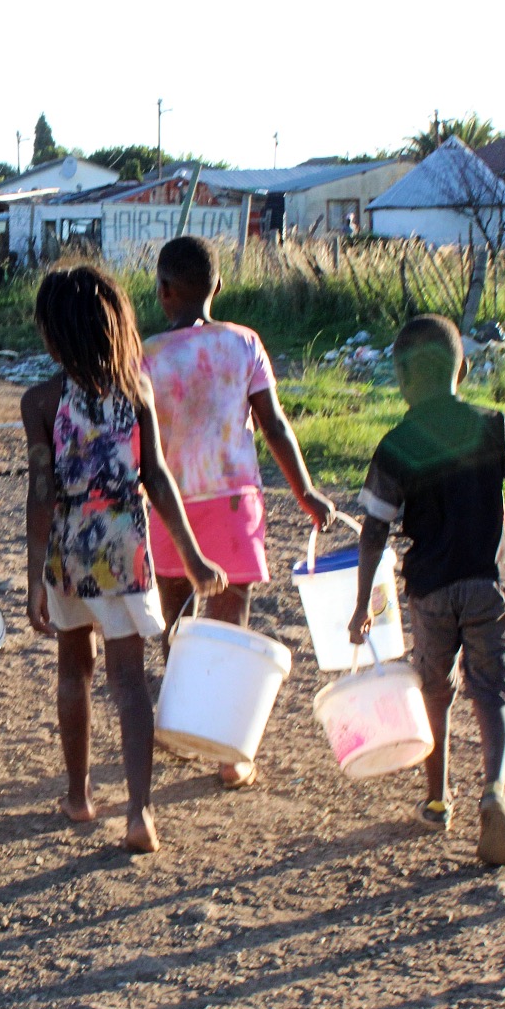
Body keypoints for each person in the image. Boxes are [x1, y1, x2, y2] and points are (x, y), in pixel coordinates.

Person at [350, 314, 505, 867]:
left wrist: (362, 604)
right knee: (493, 693)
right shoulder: (495, 425)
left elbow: (376, 530)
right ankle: (495, 788)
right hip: (487, 585)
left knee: (435, 689)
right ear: (464, 368)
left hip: (429, 590)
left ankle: (437, 797)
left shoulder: (397, 444)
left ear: (401, 377)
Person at [23, 264, 221, 855]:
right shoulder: (137, 391)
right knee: (129, 680)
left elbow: (41, 491)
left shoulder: (40, 400)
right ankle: (140, 814)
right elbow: (156, 476)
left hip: (67, 545)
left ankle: (80, 796)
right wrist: (192, 553)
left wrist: (36, 573)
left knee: (73, 669)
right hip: (123, 543)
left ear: (53, 335)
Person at [143, 235, 336, 788]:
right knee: (232, 626)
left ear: (163, 291)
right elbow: (273, 424)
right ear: (218, 288)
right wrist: (305, 490)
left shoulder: (147, 354)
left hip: (170, 508)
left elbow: (139, 439)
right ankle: (231, 755)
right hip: (233, 504)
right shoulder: (245, 343)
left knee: (176, 623)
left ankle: (178, 726)